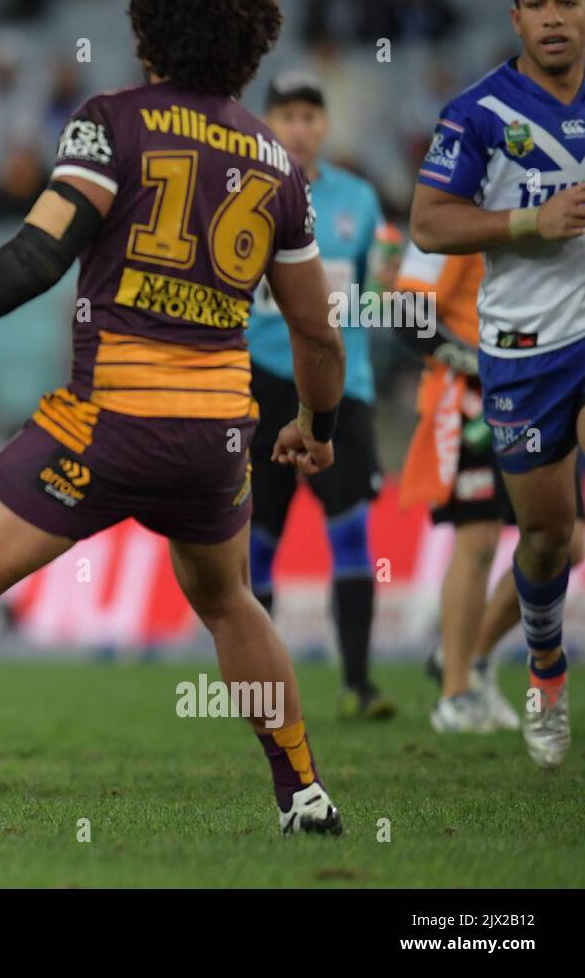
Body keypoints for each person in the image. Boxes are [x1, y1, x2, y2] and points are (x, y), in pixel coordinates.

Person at [0, 0, 347, 845]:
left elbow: (38, 253)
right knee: (229, 601)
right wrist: (317, 426)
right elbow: (317, 330)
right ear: (253, 48)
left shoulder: (112, 123)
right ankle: (305, 793)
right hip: (216, 435)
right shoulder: (277, 162)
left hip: (107, 422)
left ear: (146, 32)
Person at [410, 0, 585, 768]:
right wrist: (527, 224)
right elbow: (427, 225)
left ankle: (466, 676)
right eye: (538, 2)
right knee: (546, 538)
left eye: (569, 1)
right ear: (516, 17)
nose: (555, 17)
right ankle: (543, 666)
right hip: (521, 349)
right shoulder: (477, 113)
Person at [246, 72, 395, 720]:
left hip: (341, 388)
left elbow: (383, 293)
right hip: (258, 385)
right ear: (268, 125)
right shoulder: (244, 196)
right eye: (286, 115)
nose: (299, 128)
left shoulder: (359, 202)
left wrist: (386, 288)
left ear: (325, 126)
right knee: (256, 541)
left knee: (352, 530)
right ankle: (260, 692)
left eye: (310, 115)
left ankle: (358, 686)